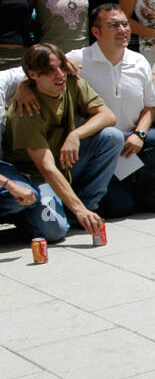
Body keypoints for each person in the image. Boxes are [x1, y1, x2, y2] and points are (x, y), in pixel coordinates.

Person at [36, 3, 155, 216]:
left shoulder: (139, 61)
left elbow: (150, 106)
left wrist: (139, 134)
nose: (122, 30)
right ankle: (91, 196)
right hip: (98, 143)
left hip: (131, 139)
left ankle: (150, 195)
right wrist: (23, 89)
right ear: (95, 32)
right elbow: (32, 72)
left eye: (125, 24)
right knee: (121, 207)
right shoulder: (76, 59)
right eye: (113, 25)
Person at [0, 43, 120, 241]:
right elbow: (46, 168)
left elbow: (107, 116)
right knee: (54, 231)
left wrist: (75, 135)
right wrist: (78, 209)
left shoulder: (72, 82)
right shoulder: (27, 110)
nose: (59, 74)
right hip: (36, 175)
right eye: (49, 71)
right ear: (33, 75)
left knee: (111, 137)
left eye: (62, 67)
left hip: (65, 161)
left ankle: (86, 206)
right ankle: (40, 213)